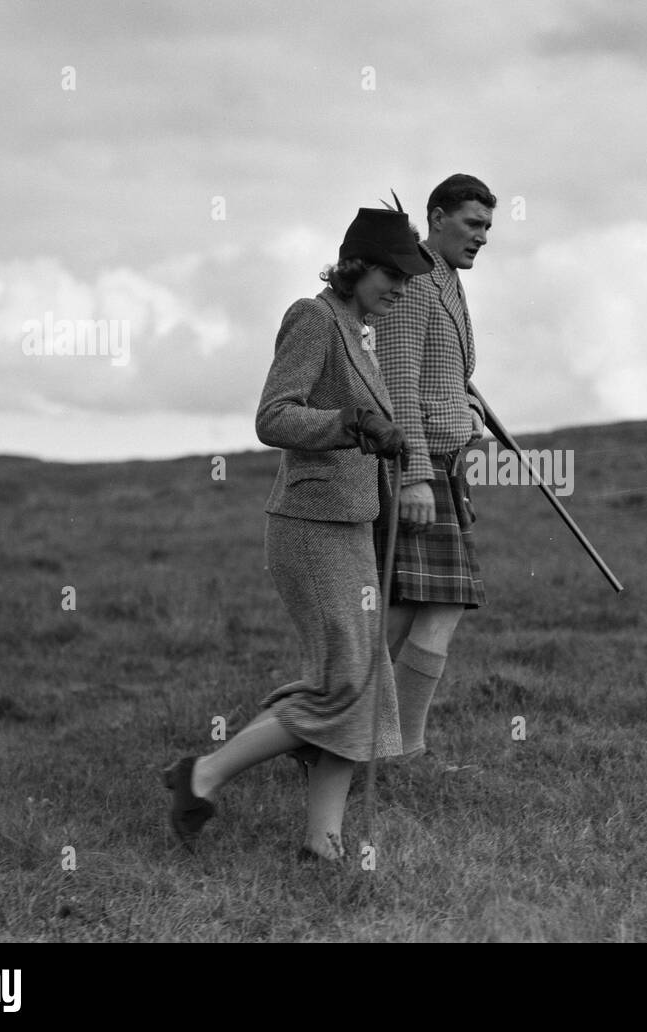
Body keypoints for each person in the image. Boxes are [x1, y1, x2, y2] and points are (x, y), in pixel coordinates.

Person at [163, 205, 433, 861]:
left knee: (361, 680)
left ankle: (322, 842)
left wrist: (384, 439)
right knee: (345, 683)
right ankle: (200, 776)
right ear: (357, 265)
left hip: (350, 524)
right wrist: (347, 424)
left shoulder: (358, 331)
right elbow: (273, 417)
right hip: (308, 528)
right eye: (393, 276)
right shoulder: (312, 318)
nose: (400, 291)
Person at [373, 173, 496, 758]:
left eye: (488, 228)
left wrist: (461, 398)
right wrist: (414, 473)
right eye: (473, 224)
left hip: (448, 464)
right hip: (420, 468)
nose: (482, 238)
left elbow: (437, 372)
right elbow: (397, 383)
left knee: (405, 613)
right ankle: (394, 746)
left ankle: (359, 739)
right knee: (434, 605)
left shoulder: (445, 277)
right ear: (437, 217)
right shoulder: (414, 279)